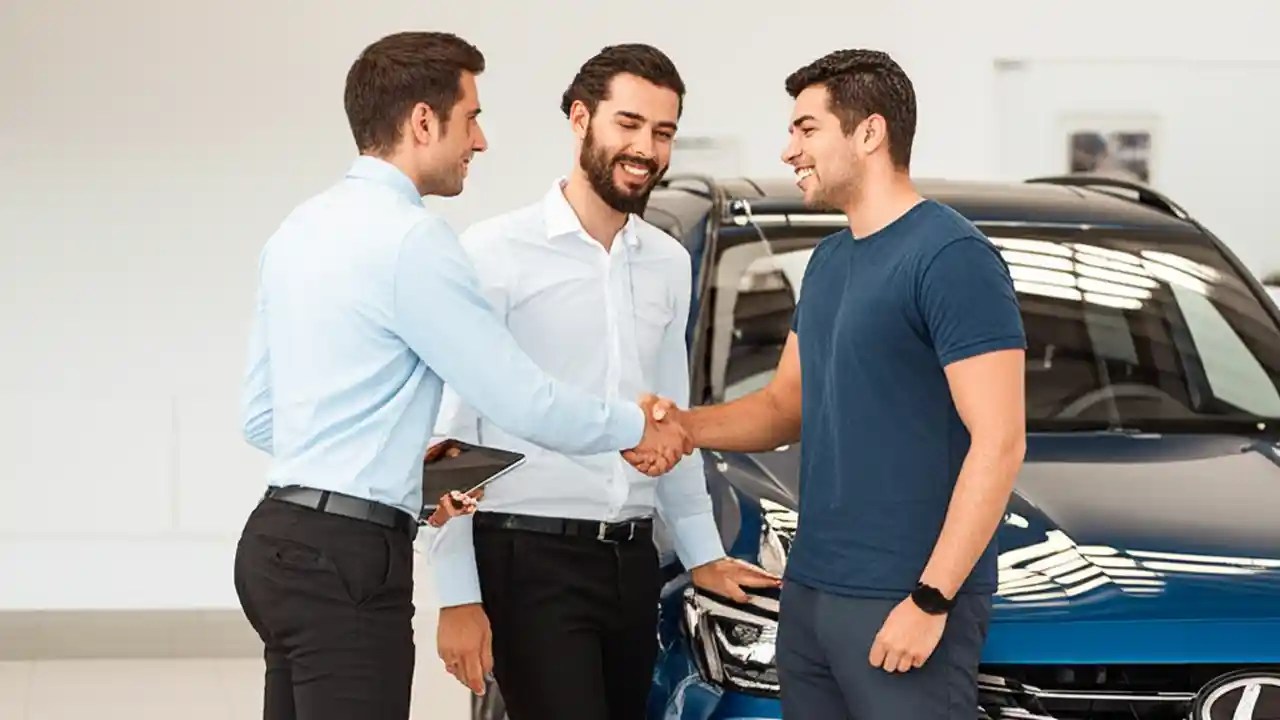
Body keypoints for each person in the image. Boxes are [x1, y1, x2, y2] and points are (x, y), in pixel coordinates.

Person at [232, 31, 690, 720]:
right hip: (352, 558)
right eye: (471, 117)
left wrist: (394, 477)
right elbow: (518, 399)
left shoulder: (299, 227)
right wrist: (638, 423)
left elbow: (262, 416)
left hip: (275, 541)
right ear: (423, 121)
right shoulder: (416, 241)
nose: (480, 141)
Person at [640, 49, 1027, 719]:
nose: (790, 150)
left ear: (869, 133)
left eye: (806, 129)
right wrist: (682, 426)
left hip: (900, 596)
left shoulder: (951, 257)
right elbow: (786, 405)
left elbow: (1000, 440)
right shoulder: (828, 260)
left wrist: (931, 599)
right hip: (813, 595)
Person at [426, 43, 781, 720]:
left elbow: (671, 424)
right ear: (581, 118)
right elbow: (452, 429)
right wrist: (456, 592)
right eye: (629, 123)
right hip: (528, 553)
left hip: (631, 561)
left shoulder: (668, 264)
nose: (646, 147)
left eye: (663, 131)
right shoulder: (494, 253)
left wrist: (704, 554)